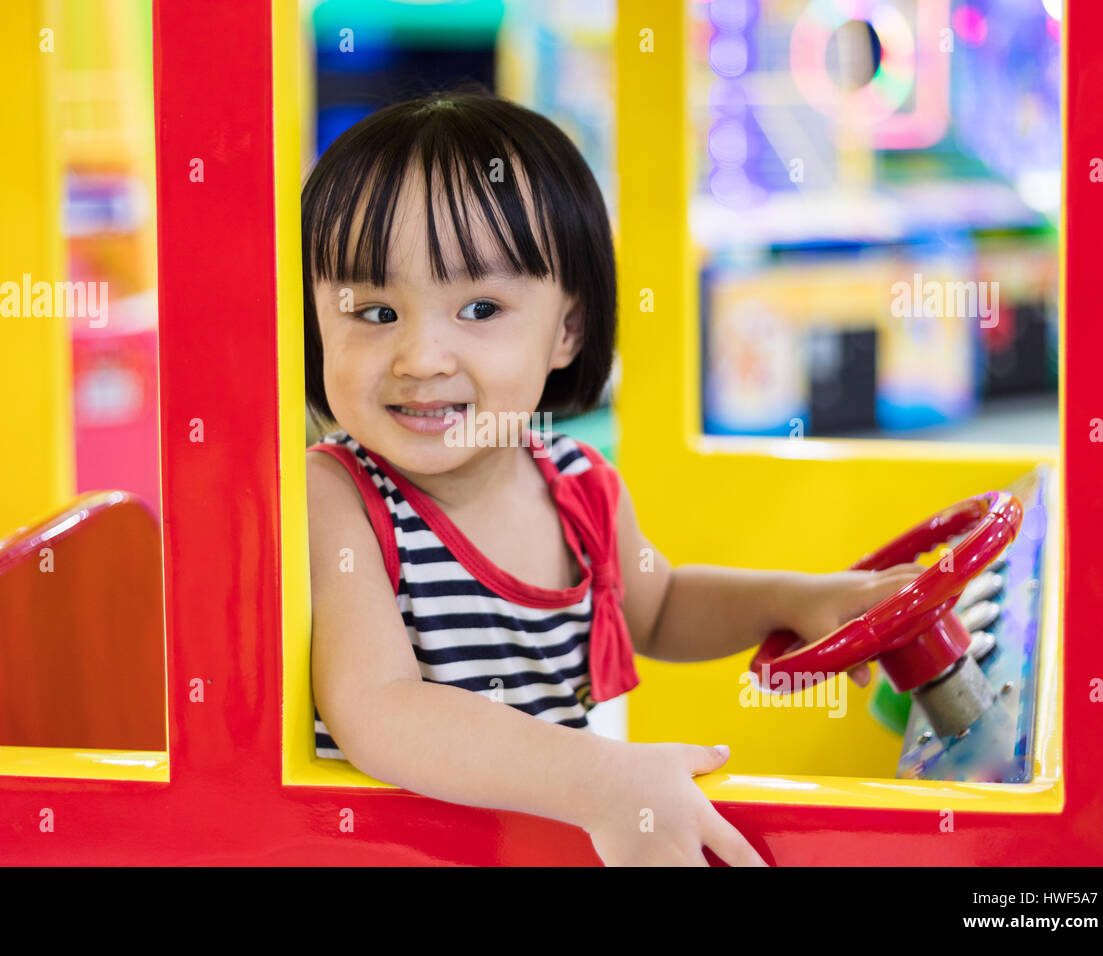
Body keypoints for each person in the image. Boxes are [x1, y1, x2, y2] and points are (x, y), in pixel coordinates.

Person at [302, 89, 921, 866]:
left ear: (568, 329)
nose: (421, 357)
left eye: (481, 307)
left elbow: (657, 608)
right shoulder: (337, 498)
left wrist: (797, 598)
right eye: (375, 313)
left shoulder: (578, 484)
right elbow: (379, 711)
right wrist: (602, 777)